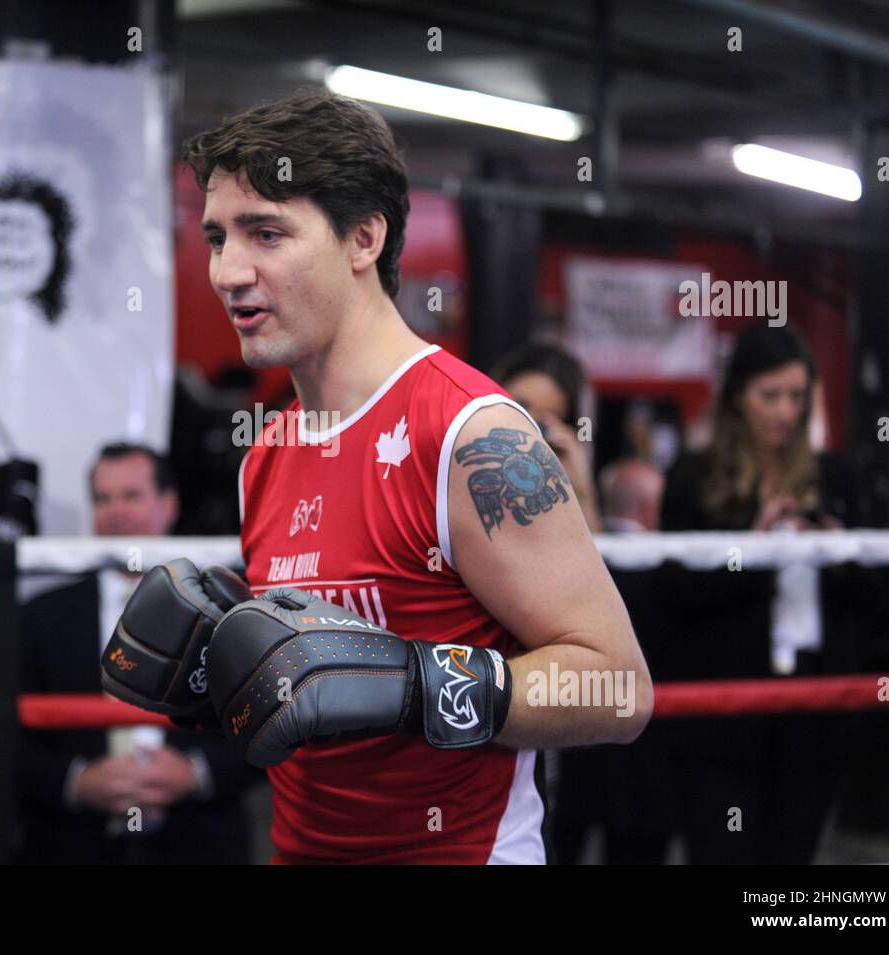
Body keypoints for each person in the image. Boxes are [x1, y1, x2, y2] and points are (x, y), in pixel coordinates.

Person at [102, 91, 652, 864]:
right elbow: (313, 696)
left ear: (364, 238)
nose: (228, 271)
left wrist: (415, 685)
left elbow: (620, 688)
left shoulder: (470, 433)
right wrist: (227, 682)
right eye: (218, 237)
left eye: (267, 233)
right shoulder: (268, 451)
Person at [657, 322, 868, 864]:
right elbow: (672, 595)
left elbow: (876, 599)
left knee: (790, 869)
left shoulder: (836, 476)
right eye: (770, 395)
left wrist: (838, 550)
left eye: (798, 396)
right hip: (723, 715)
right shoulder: (694, 477)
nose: (786, 411)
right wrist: (752, 549)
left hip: (814, 712)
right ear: (737, 395)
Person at [18, 443, 259, 863]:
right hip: (74, 846)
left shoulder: (228, 612)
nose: (116, 512)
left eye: (131, 496)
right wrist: (77, 782)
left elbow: (266, 721)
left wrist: (196, 773)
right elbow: (7, 737)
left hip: (200, 843)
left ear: (170, 504)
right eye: (103, 499)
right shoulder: (41, 616)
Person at [555, 457, 674, 863]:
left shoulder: (566, 558)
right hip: (636, 755)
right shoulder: (662, 570)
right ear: (651, 508)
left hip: (577, 744)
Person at [493, 343, 603, 532]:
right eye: (520, 407)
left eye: (543, 422)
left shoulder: (549, 487)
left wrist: (579, 487)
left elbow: (590, 547)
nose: (526, 426)